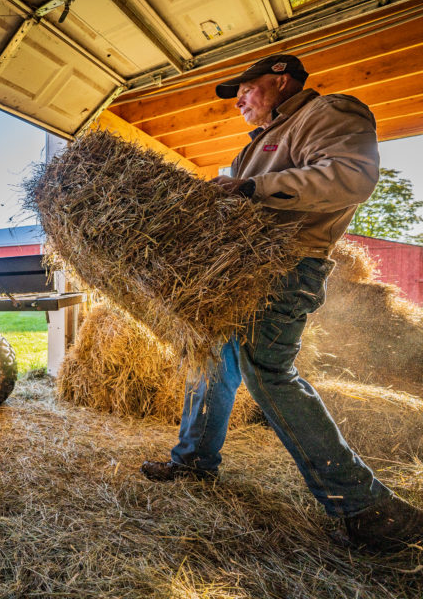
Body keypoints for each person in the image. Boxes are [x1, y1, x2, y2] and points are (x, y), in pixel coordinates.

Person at [140, 54, 423, 552]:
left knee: (268, 373)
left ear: (280, 78)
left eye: (245, 90)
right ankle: (192, 462)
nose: (240, 102)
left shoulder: (328, 113)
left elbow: (351, 177)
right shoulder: (257, 145)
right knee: (213, 362)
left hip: (288, 267)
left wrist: (251, 187)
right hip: (243, 272)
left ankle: (369, 508)